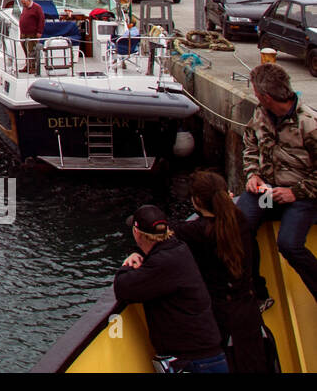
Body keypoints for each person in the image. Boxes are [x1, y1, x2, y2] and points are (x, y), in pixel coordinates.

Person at [235, 63, 317, 306]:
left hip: (302, 196)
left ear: (266, 96)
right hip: (267, 189)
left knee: (289, 244)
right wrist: (252, 174)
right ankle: (257, 291)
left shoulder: (310, 124)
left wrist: (295, 192)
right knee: (238, 227)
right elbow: (250, 142)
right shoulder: (261, 113)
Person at [113, 204, 228, 373]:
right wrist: (137, 252)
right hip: (205, 355)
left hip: (195, 362)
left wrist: (127, 267)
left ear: (136, 233)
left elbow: (123, 288)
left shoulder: (162, 263)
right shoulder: (178, 248)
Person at [176, 170, 269, 373]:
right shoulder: (241, 221)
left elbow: (160, 233)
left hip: (220, 318)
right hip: (248, 313)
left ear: (197, 200)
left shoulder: (195, 232)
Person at [18, 0, 44, 74]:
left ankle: (33, 67)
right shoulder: (25, 8)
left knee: (32, 51)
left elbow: (41, 20)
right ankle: (28, 65)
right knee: (26, 50)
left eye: (24, 3)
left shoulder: (37, 8)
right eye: (22, 3)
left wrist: (39, 31)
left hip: (32, 33)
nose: (23, 5)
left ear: (29, 1)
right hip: (24, 33)